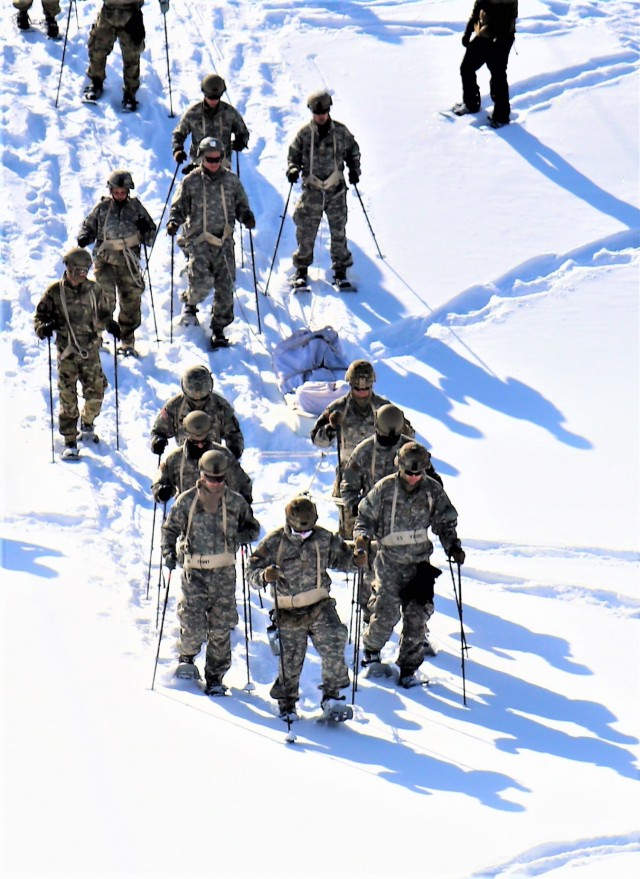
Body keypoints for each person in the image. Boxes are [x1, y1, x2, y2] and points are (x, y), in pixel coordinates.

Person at [352, 442, 465, 688]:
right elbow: (364, 517)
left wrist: (452, 546)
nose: (413, 478)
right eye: (409, 472)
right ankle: (371, 649)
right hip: (389, 562)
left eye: (418, 473)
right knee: (386, 613)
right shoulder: (385, 488)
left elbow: (445, 522)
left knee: (417, 617)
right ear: (400, 467)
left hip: (419, 564)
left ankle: (408, 668)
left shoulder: (432, 491)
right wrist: (362, 538)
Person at [247, 496, 361, 722]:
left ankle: (332, 696)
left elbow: (344, 560)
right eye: (298, 530)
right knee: (289, 660)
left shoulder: (324, 538)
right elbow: (251, 572)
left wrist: (357, 560)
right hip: (287, 611)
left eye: (307, 530)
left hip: (319, 606)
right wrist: (264, 576)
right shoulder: (274, 542)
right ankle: (287, 702)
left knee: (335, 641)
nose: (303, 534)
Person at [162, 449, 260, 695]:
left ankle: (215, 677)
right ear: (202, 475)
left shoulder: (235, 502)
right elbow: (170, 529)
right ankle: (187, 658)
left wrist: (237, 537)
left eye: (220, 479)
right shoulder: (187, 501)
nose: (215, 483)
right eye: (211, 478)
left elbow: (253, 528)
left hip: (224, 573)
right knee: (193, 621)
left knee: (220, 627)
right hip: (195, 571)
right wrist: (169, 552)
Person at [340, 404, 442, 623]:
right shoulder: (364, 451)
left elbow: (434, 484)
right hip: (375, 527)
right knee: (371, 576)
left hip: (409, 528)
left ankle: (416, 627)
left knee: (415, 582)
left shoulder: (412, 450)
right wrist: (362, 511)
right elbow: (348, 486)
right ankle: (370, 620)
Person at [167, 136, 256, 349]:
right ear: (201, 158)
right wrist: (174, 221)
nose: (214, 163)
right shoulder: (191, 181)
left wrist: (246, 216)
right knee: (201, 283)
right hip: (199, 241)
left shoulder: (231, 181)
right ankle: (190, 301)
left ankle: (219, 329)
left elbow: (241, 204)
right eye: (209, 159)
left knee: (225, 287)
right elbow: (178, 207)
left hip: (223, 242)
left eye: (217, 159)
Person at [310, 360, 414, 538]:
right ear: (350, 385)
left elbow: (408, 436)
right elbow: (317, 439)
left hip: (381, 475)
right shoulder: (338, 409)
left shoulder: (384, 408)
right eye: (358, 389)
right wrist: (330, 429)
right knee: (351, 534)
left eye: (366, 389)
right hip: (350, 479)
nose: (362, 393)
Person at [33, 247, 119, 460]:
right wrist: (43, 327)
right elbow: (39, 316)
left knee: (97, 393)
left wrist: (110, 324)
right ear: (68, 268)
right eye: (78, 270)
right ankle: (70, 439)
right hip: (67, 353)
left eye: (85, 270)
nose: (82, 275)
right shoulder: (55, 291)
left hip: (90, 350)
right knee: (68, 397)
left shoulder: (93, 289)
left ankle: (87, 423)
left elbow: (104, 312)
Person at [77, 169, 156, 356]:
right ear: (111, 190)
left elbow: (151, 235)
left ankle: (127, 340)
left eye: (123, 192)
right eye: (116, 192)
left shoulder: (136, 208)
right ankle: (96, 336)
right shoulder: (103, 208)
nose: (120, 195)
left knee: (131, 301)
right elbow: (88, 226)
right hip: (105, 261)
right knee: (103, 299)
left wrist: (146, 230)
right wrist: (85, 236)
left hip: (128, 262)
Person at [286, 90, 361, 288]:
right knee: (306, 231)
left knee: (338, 231)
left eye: (324, 112)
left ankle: (341, 269)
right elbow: (293, 155)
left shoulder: (340, 132)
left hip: (335, 190)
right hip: (312, 190)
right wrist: (292, 169)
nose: (321, 116)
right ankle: (301, 269)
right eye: (317, 113)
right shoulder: (304, 134)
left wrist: (355, 170)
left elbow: (353, 150)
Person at [83, 0, 170, 110]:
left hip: (131, 12)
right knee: (97, 48)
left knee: (132, 54)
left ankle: (130, 93)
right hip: (108, 11)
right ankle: (96, 82)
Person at [152, 410, 253, 505]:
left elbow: (242, 482)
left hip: (219, 515)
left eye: (203, 441)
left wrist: (244, 499)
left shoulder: (224, 455)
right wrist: (161, 492)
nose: (200, 445)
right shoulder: (174, 458)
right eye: (196, 442)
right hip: (185, 515)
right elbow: (158, 482)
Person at [150, 364, 244, 459]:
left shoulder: (220, 405)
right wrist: (158, 441)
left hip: (212, 463)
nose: (198, 393)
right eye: (192, 388)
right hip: (185, 461)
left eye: (202, 387)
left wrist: (234, 449)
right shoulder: (175, 406)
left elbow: (234, 433)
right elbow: (159, 431)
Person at [452, 0, 518, 127]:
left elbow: (507, 13)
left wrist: (498, 39)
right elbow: (478, 8)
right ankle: (471, 104)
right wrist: (468, 32)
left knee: (497, 72)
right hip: (484, 34)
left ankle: (501, 116)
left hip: (503, 36)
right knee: (467, 67)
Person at [171, 74, 250, 174]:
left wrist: (241, 141)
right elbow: (179, 133)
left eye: (217, 97)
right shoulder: (193, 113)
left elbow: (243, 132)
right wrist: (177, 150)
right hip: (199, 164)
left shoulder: (229, 112)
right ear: (204, 93)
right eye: (210, 97)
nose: (213, 101)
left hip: (223, 165)